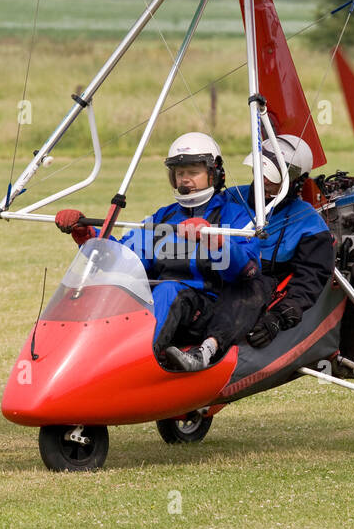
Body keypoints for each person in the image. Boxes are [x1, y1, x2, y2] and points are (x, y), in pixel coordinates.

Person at [54, 132, 262, 372]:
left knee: (168, 289)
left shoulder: (236, 215)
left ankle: (137, 365)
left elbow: (249, 269)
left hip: (210, 312)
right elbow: (126, 258)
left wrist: (214, 240)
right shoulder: (164, 217)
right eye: (180, 173)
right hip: (162, 310)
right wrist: (89, 237)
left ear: (214, 174)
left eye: (193, 172)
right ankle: (83, 361)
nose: (185, 179)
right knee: (115, 289)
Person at [223, 132, 335, 348]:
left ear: (296, 182)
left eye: (273, 178)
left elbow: (309, 281)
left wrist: (277, 319)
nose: (264, 181)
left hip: (258, 297)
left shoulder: (310, 224)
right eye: (261, 171)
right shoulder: (229, 198)